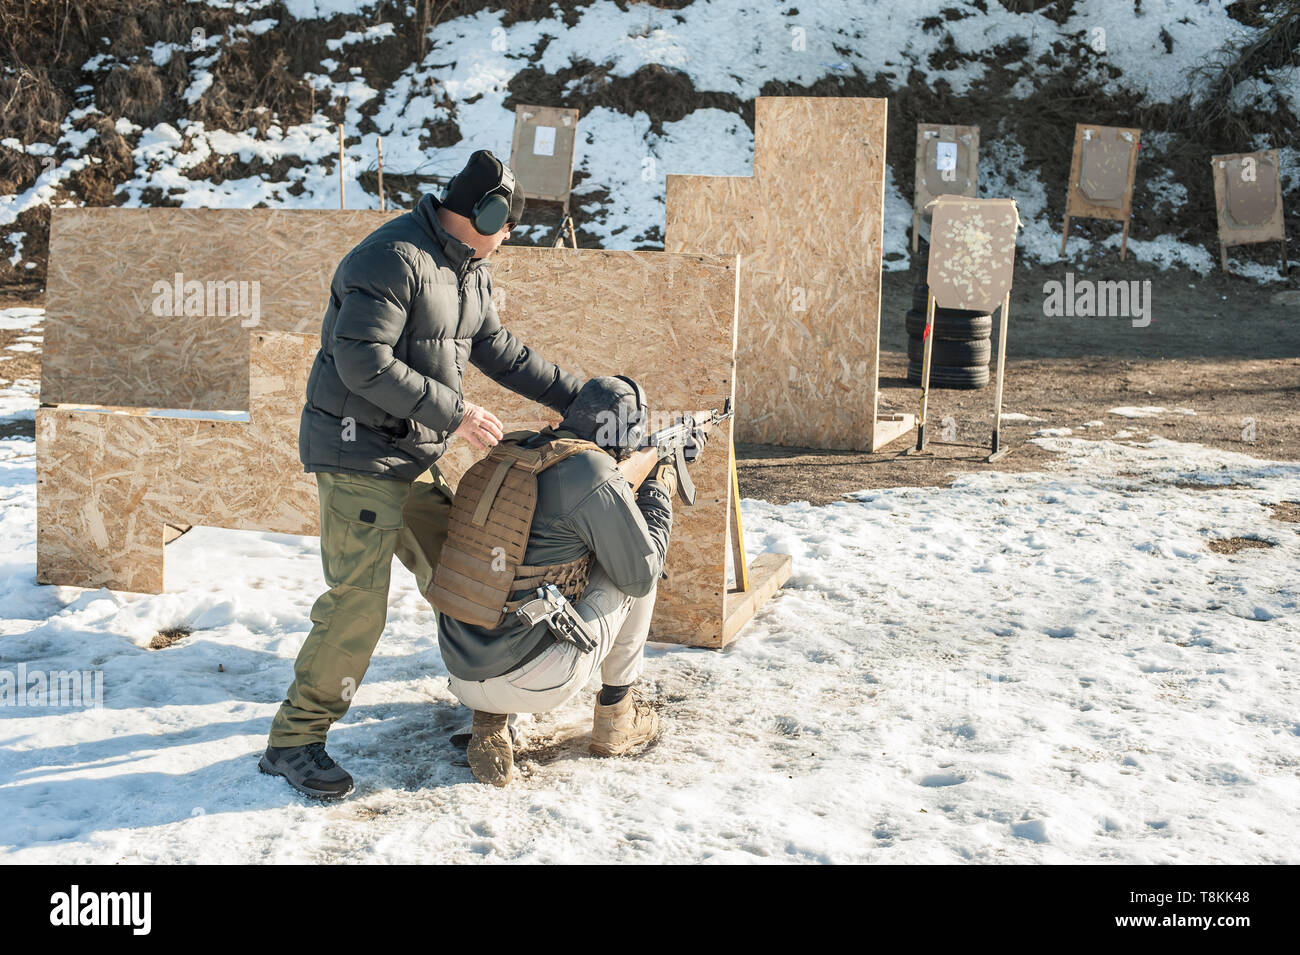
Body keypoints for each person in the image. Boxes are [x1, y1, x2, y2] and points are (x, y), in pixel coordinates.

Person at [260, 149, 583, 799]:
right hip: (357, 457)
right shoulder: (390, 258)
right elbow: (362, 363)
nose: (510, 235)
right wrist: (456, 411)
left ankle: (487, 699)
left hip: (412, 457)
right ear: (485, 213)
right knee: (357, 606)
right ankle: (294, 740)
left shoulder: (467, 268)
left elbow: (499, 347)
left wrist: (578, 397)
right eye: (508, 222)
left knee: (469, 574)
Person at [437, 376, 676, 787]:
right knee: (639, 563)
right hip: (535, 681)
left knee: (514, 573)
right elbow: (640, 575)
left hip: (461, 669)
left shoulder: (510, 453)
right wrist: (657, 490)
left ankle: (489, 719)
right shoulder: (590, 468)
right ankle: (617, 716)